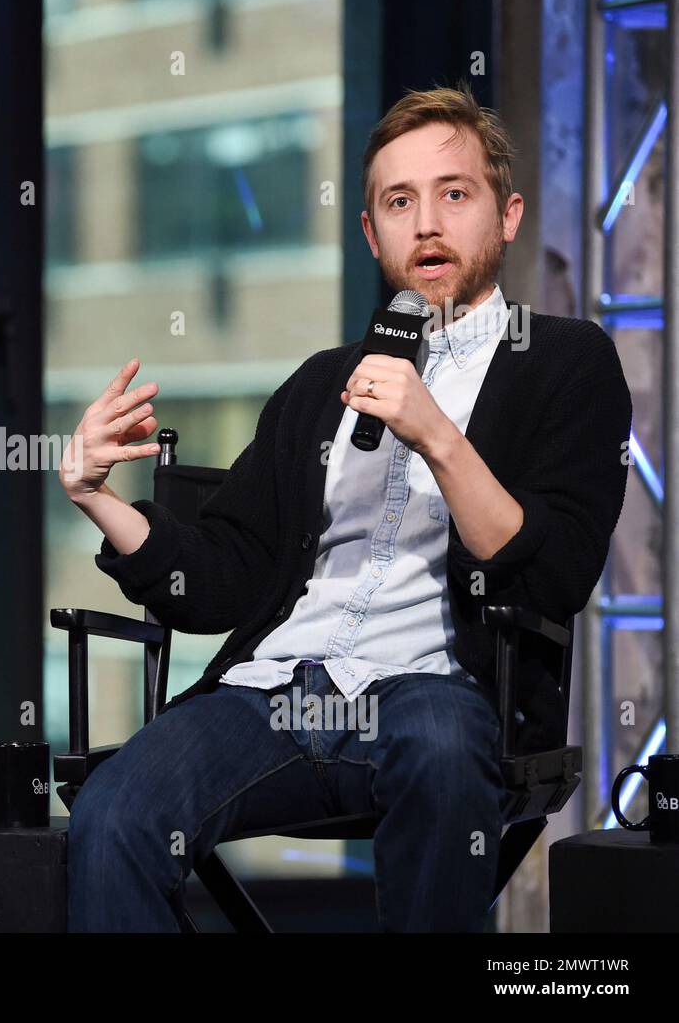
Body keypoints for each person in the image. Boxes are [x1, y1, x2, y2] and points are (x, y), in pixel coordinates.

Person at [59, 83, 633, 932]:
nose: (427, 224)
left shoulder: (566, 362)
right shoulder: (320, 384)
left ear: (507, 216)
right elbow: (222, 582)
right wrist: (96, 496)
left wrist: (435, 430)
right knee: (112, 813)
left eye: (454, 194)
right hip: (276, 694)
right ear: (371, 233)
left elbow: (553, 573)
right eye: (399, 202)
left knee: (439, 754)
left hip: (436, 691)